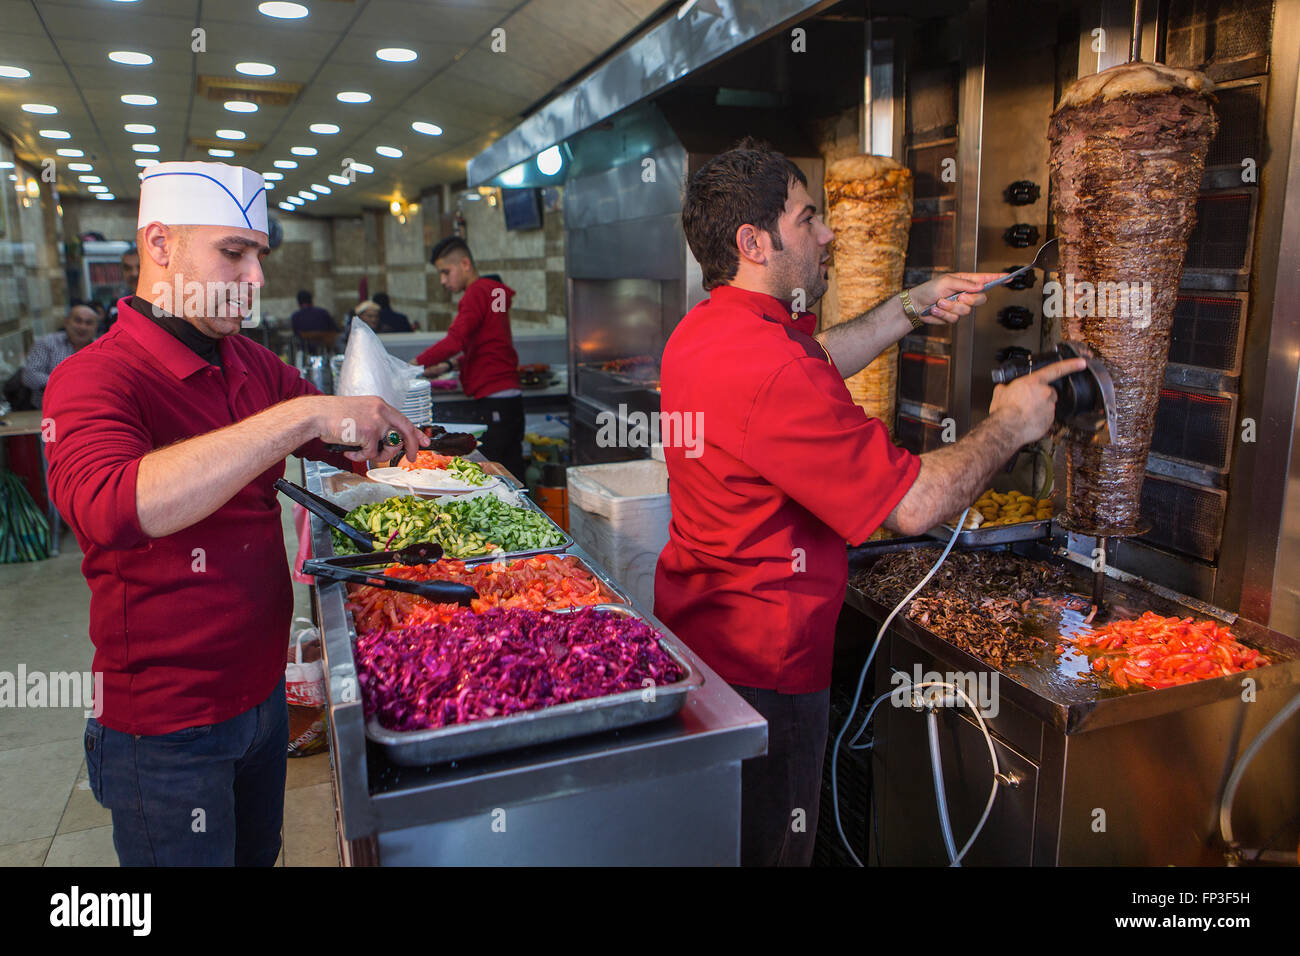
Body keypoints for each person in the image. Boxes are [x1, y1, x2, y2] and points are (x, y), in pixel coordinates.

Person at [653, 140, 1084, 867]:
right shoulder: (772, 367)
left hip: (704, 640)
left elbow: (816, 357)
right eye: (808, 218)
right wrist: (1011, 423)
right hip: (769, 670)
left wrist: (910, 308)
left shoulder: (709, 330)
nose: (828, 236)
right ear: (752, 242)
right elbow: (913, 505)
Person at [43, 160, 427, 867]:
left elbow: (340, 441)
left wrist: (392, 432)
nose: (254, 281)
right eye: (233, 252)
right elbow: (113, 504)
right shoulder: (96, 377)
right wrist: (301, 415)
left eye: (260, 256)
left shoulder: (248, 365)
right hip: (167, 730)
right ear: (159, 245)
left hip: (262, 701)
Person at [417, 236, 525, 480]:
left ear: (465, 264)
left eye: (446, 272)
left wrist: (413, 365)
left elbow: (456, 341)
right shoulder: (494, 291)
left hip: (494, 396)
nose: (443, 281)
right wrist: (449, 364)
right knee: (512, 466)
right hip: (510, 397)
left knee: (492, 472)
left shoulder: (476, 291)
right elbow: (490, 344)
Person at [21, 303, 98, 407]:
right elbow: (29, 375)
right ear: (66, 322)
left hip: (91, 409)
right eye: (78, 321)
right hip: (49, 411)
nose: (83, 327)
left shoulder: (102, 349)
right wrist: (65, 385)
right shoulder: (47, 343)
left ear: (95, 327)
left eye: (88, 323)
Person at [99, 246, 140, 335]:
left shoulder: (163, 303)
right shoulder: (116, 306)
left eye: (140, 267)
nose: (134, 273)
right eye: (127, 268)